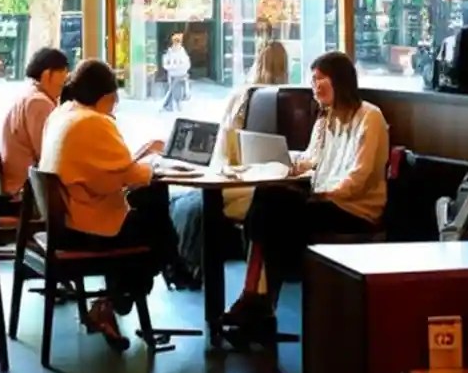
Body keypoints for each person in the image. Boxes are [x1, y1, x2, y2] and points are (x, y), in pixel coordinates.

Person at [224, 50, 388, 334]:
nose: (314, 86)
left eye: (319, 79)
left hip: (354, 209)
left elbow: (359, 178)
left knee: (272, 211)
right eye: (313, 80)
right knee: (268, 198)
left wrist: (323, 195)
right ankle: (257, 302)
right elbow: (310, 160)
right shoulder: (325, 120)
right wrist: (282, 163)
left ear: (339, 81)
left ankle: (257, 300)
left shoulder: (369, 118)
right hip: (324, 202)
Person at [39, 58, 179, 350]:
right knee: (160, 234)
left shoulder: (63, 113)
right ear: (106, 96)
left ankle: (120, 295)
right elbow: (126, 175)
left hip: (67, 220)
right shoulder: (92, 122)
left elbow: (103, 175)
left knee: (151, 213)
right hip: (88, 229)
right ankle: (118, 298)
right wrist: (156, 166)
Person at [169, 40, 289, 288]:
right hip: (271, 178)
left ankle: (186, 264)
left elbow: (225, 143)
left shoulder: (242, 96)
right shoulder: (291, 101)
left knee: (197, 199)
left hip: (240, 175)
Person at [0, 47, 70, 196]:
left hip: (17, 185)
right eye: (61, 82)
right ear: (47, 74)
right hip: (26, 191)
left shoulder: (26, 95)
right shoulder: (39, 103)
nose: (62, 86)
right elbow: (48, 154)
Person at [160, 33, 191, 112]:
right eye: (175, 41)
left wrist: (180, 67)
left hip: (181, 74)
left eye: (178, 41)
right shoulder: (169, 52)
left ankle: (171, 105)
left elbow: (186, 64)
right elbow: (165, 64)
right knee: (172, 89)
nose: (176, 43)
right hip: (173, 74)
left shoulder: (182, 52)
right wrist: (172, 67)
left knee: (175, 89)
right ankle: (171, 105)